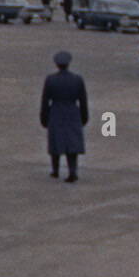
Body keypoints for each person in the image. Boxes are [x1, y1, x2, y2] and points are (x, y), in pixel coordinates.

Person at [40, 51, 89, 182]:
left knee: (55, 142)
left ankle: (55, 170)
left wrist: (44, 119)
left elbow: (45, 101)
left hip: (56, 111)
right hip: (72, 112)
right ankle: (72, 171)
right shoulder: (77, 79)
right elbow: (83, 101)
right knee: (72, 143)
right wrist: (84, 118)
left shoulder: (50, 79)